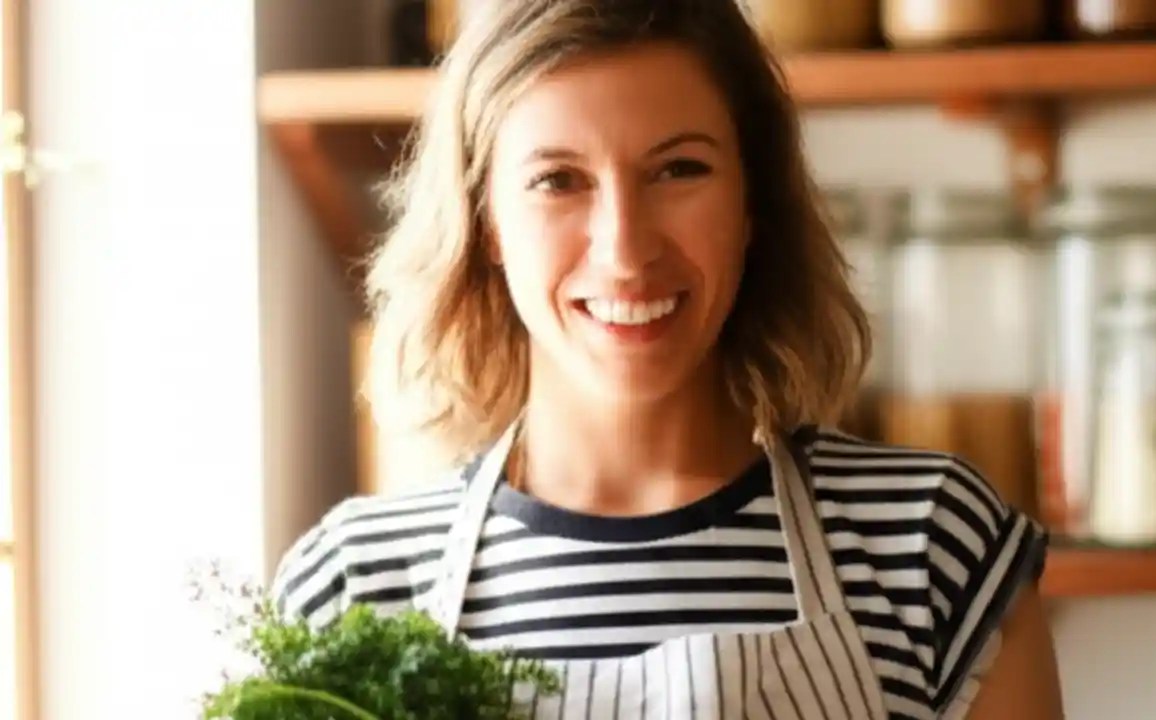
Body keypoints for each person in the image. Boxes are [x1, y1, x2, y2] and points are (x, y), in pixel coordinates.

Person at [272, 1, 1064, 718]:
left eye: (679, 169)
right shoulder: (354, 591)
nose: (625, 248)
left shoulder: (930, 550)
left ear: (753, 201)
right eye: (557, 181)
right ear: (487, 225)